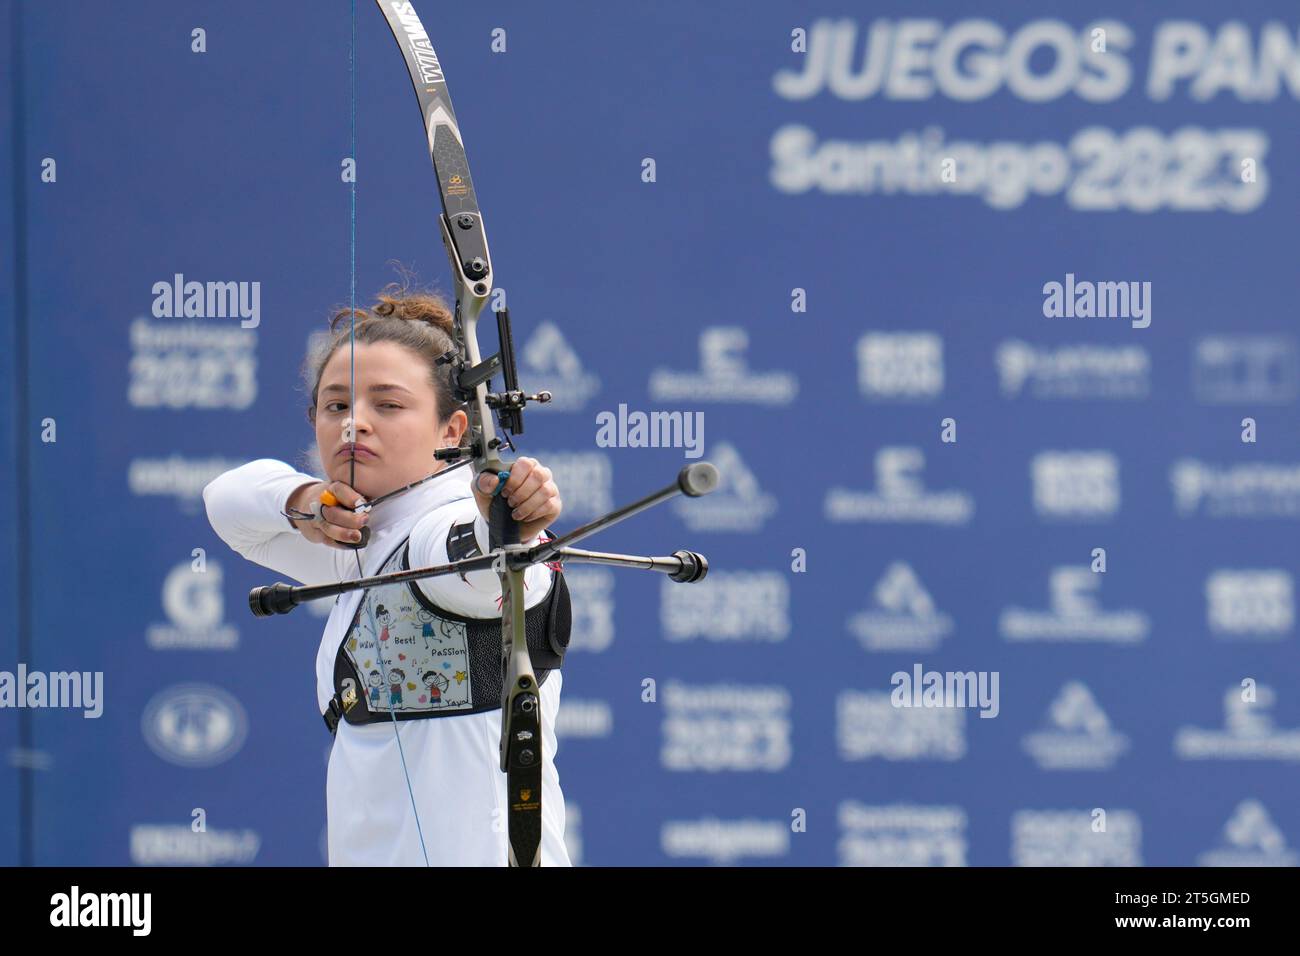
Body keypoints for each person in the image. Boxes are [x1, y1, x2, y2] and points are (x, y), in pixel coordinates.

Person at [203, 282, 572, 866]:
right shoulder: (355, 537)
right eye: (336, 406)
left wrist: (511, 523)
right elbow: (226, 502)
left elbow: (468, 562)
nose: (355, 425)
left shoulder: (441, 524)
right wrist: (305, 501)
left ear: (453, 430)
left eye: (388, 404)